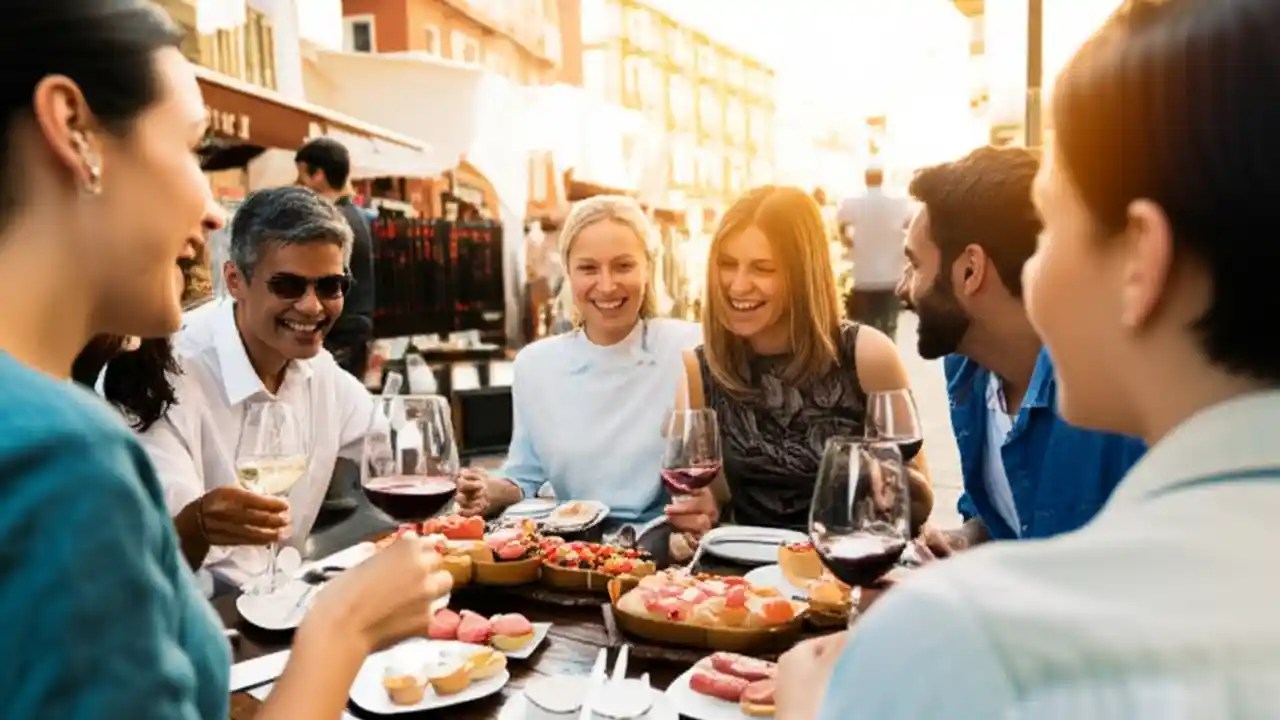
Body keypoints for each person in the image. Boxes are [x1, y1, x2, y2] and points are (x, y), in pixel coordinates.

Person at [780, 1, 1280, 717]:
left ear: (1141, 260)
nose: (1032, 280)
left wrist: (826, 703)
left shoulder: (969, 653)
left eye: (1050, 232)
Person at [0, 4, 450, 718]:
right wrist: (345, 626)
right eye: (193, 148)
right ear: (74, 131)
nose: (213, 211)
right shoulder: (60, 458)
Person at [136, 185, 488, 592]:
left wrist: (464, 487)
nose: (312, 306)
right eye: (288, 286)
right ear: (235, 280)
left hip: (286, 606)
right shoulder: (166, 372)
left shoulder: (319, 371)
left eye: (330, 286)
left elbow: (394, 454)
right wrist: (199, 523)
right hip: (197, 622)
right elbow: (152, 550)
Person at [894, 147, 1144, 554]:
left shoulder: (1117, 405)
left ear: (970, 271)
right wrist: (969, 537)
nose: (902, 288)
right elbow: (1006, 511)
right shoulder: (966, 368)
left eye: (915, 265)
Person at [684, 186, 932, 532]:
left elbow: (917, 498)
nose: (738, 285)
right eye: (727, 264)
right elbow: (714, 499)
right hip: (744, 574)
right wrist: (699, 512)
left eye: (762, 268)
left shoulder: (866, 356)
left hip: (847, 567)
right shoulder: (702, 368)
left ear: (803, 272)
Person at [472, 196, 710, 533]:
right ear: (568, 271)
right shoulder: (535, 365)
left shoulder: (688, 347)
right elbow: (524, 473)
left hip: (664, 549)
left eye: (624, 266)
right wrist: (491, 491)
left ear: (648, 268)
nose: (608, 285)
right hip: (571, 551)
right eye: (589, 268)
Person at [295, 137, 374, 380]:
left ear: (317, 175)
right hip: (353, 333)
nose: (297, 183)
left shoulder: (330, 222)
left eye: (301, 175)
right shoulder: (355, 215)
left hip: (339, 337)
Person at [837, 166, 914, 340]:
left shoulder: (854, 203)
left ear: (866, 179)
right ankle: (886, 360)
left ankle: (867, 362)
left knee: (865, 331)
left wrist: (847, 242)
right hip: (891, 277)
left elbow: (841, 224)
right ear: (882, 179)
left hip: (864, 277)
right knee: (889, 329)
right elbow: (911, 225)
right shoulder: (897, 204)